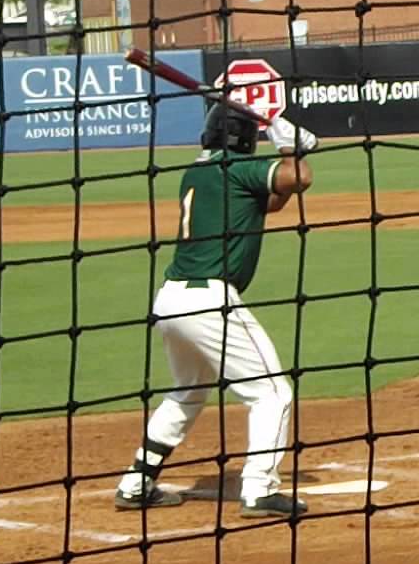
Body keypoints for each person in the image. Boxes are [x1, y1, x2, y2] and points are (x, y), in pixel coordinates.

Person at [113, 104, 317, 518]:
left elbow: (275, 200)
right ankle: (259, 489)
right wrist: (291, 148)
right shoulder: (237, 169)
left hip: (171, 299)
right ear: (243, 139)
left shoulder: (199, 171)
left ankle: (137, 482)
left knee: (188, 391)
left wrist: (293, 151)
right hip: (210, 301)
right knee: (272, 392)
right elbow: (299, 179)